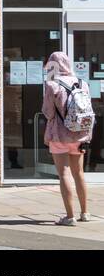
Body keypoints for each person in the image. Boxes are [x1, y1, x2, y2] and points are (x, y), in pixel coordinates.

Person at [43, 51, 93, 226]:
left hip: (59, 135)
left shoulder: (52, 85)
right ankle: (85, 213)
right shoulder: (82, 83)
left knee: (64, 173)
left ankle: (69, 217)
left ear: (53, 65)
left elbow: (48, 112)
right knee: (79, 173)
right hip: (80, 135)